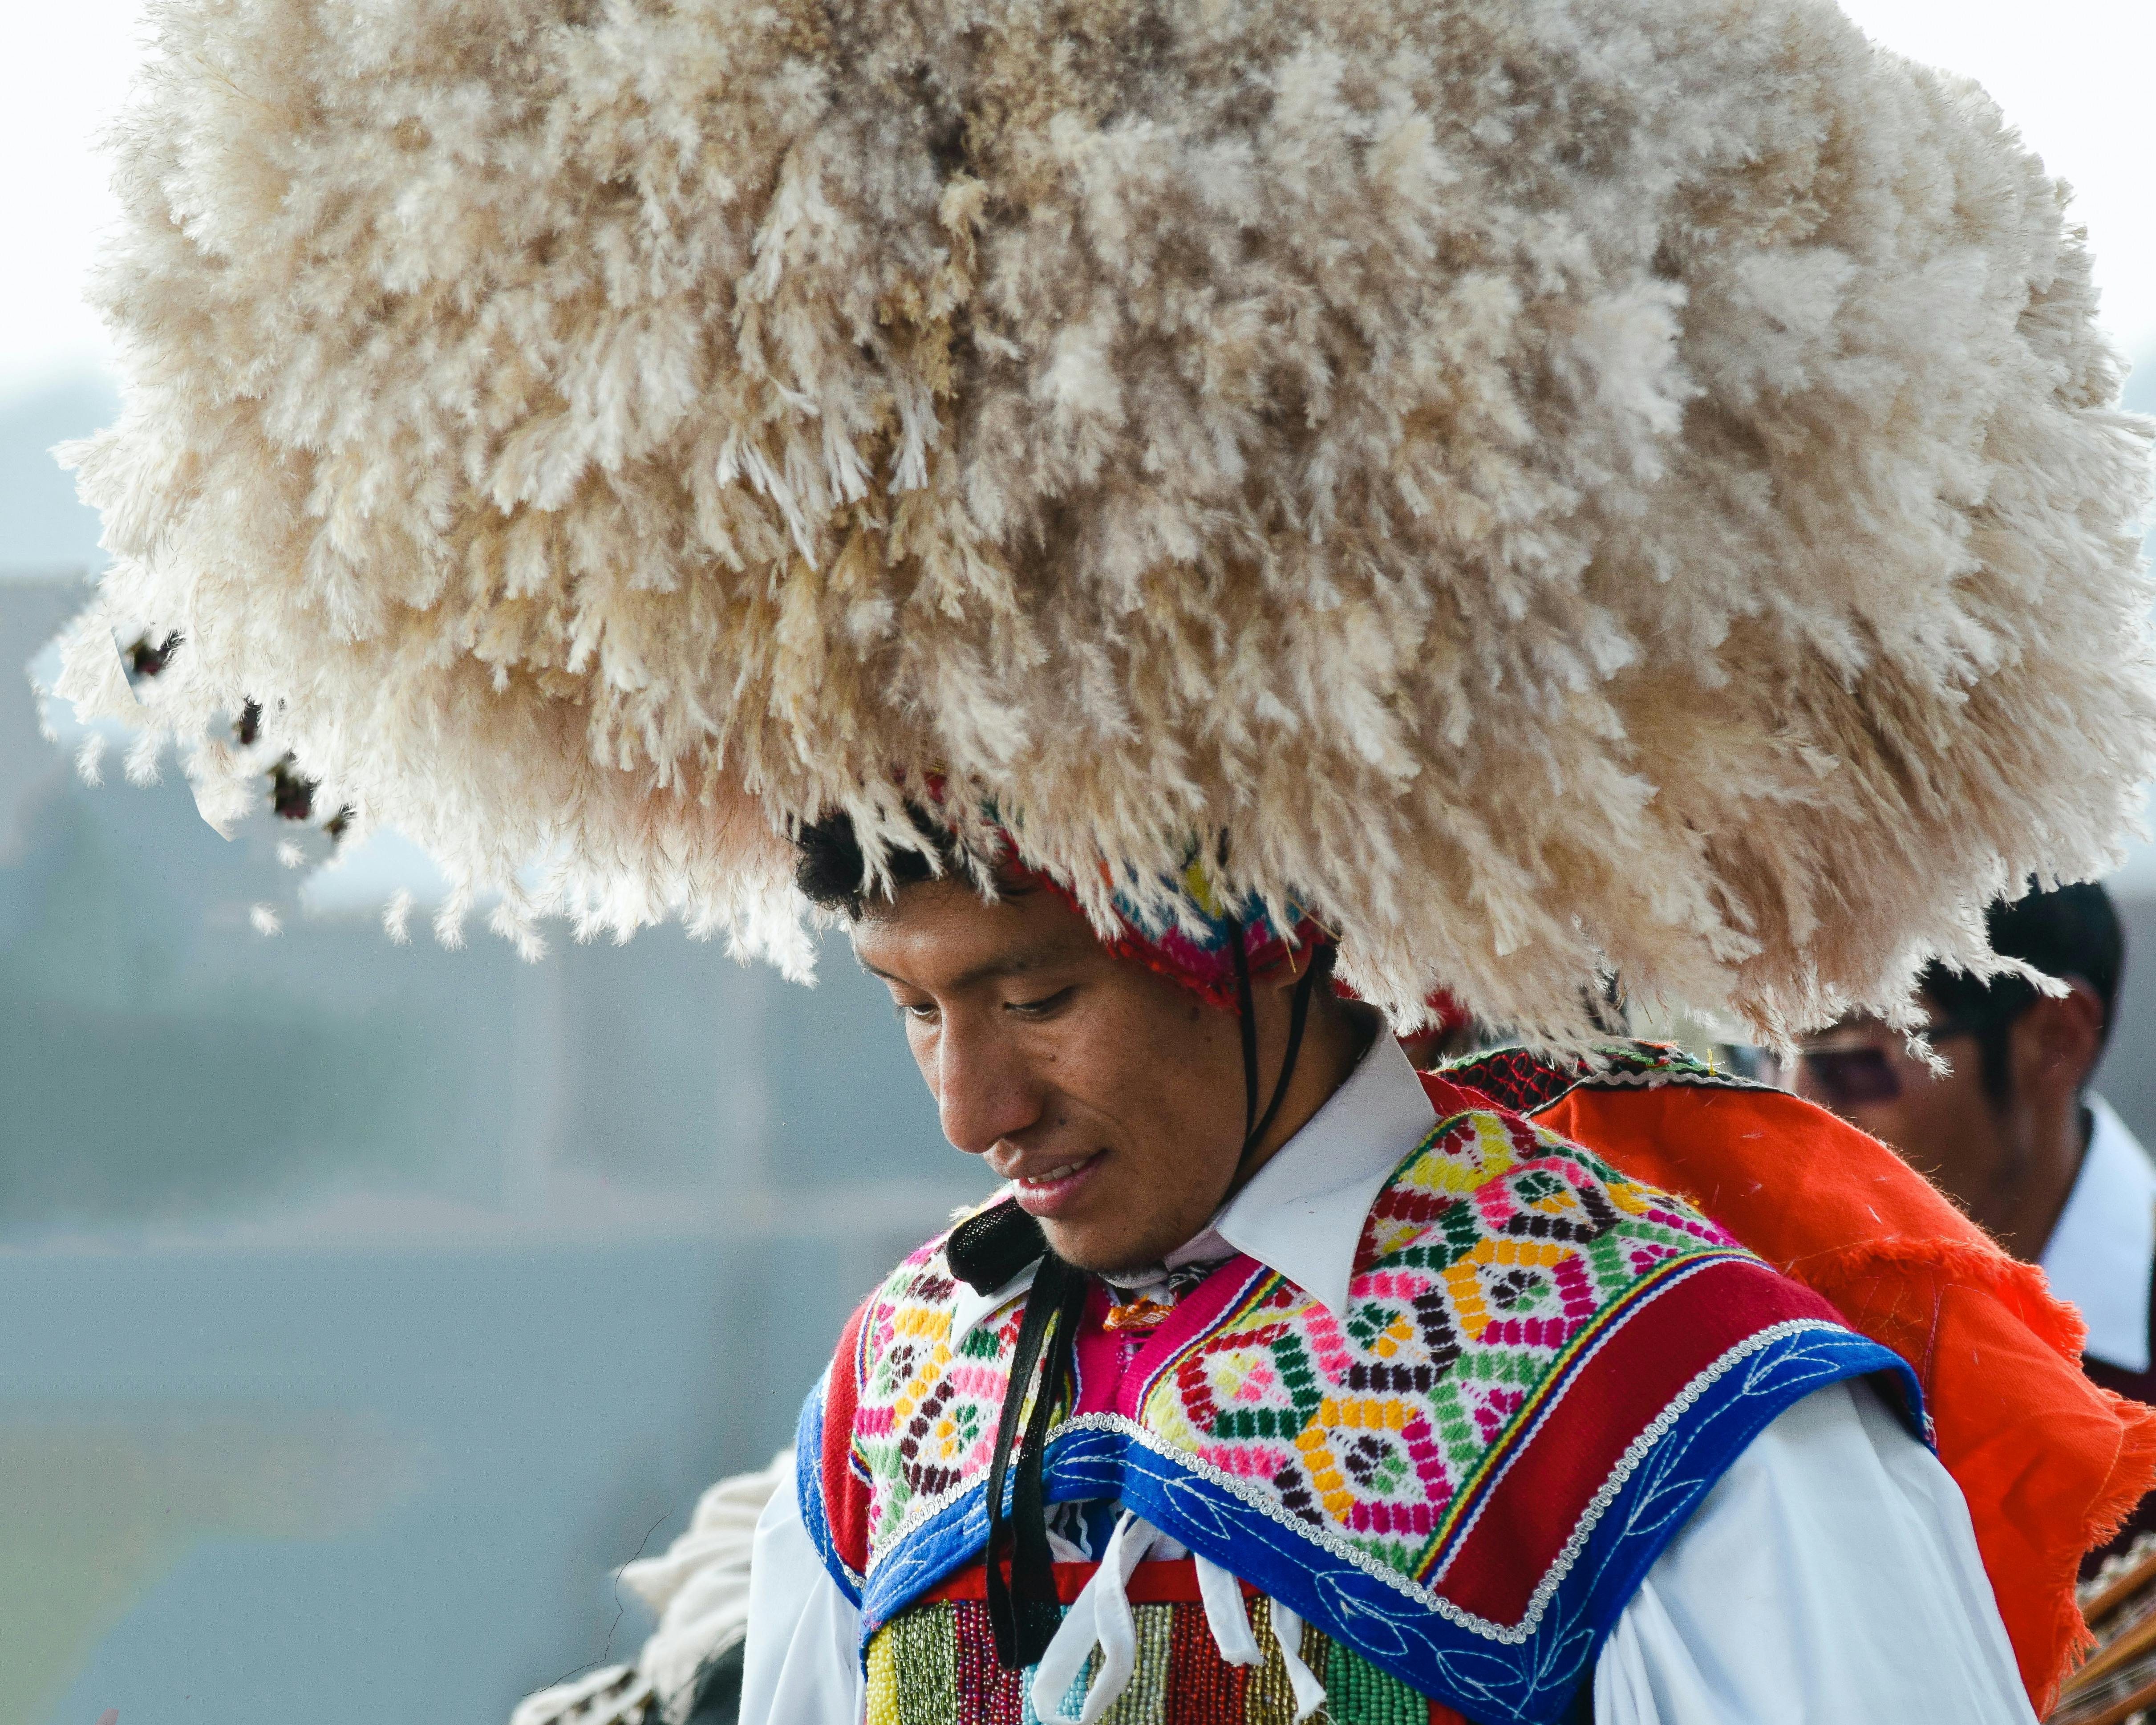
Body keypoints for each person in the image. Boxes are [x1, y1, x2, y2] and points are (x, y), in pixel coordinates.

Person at [48, 0, 2156, 1719]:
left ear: (1262, 934)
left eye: (1034, 995)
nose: (970, 1106)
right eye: (916, 1011)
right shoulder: (892, 1404)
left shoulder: (1682, 1409)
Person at [1779, 883, 2156, 1555]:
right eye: (1764, 1056)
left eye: (1853, 1059)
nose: (1799, 1108)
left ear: (2055, 1038)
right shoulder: (1785, 1325)